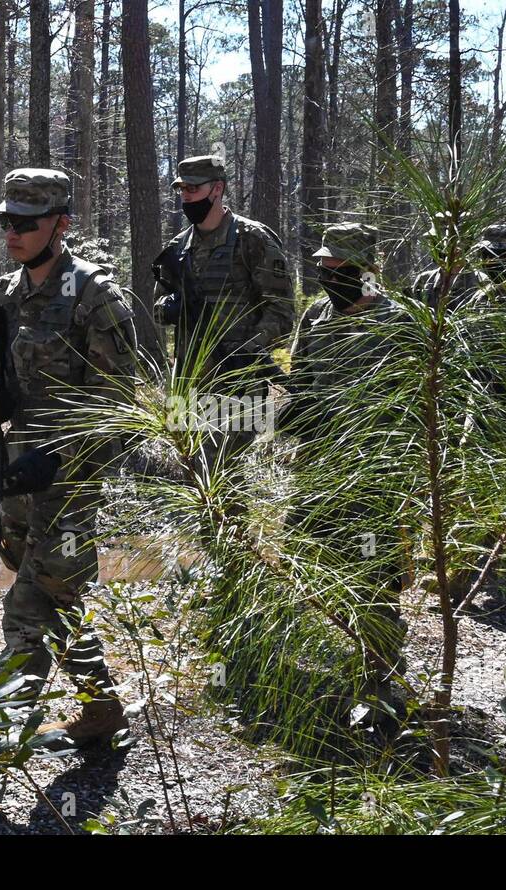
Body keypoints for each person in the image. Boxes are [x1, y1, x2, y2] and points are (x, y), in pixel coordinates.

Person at [0, 168, 139, 746]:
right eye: (6, 221)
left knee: (30, 602)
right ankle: (102, 708)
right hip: (16, 467)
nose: (13, 232)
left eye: (26, 223)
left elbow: (120, 402)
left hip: (72, 475)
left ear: (60, 225)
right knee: (55, 591)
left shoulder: (94, 295)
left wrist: (63, 457)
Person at [279, 222, 408, 693]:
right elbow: (301, 381)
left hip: (373, 476)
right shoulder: (316, 316)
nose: (329, 277)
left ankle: (381, 671)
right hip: (315, 466)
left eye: (340, 269)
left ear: (367, 269)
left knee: (373, 570)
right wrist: (296, 414)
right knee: (303, 553)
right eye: (323, 268)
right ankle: (330, 654)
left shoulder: (397, 322)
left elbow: (418, 406)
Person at [152, 154, 295, 475]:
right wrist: (173, 308)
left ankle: (232, 526)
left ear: (217, 189)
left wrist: (249, 347)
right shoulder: (178, 248)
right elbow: (158, 308)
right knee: (194, 475)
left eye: (193, 189)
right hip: (188, 381)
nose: (186, 197)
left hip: (238, 380)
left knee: (221, 471)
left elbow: (282, 312)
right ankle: (220, 526)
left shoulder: (252, 239)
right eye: (182, 190)